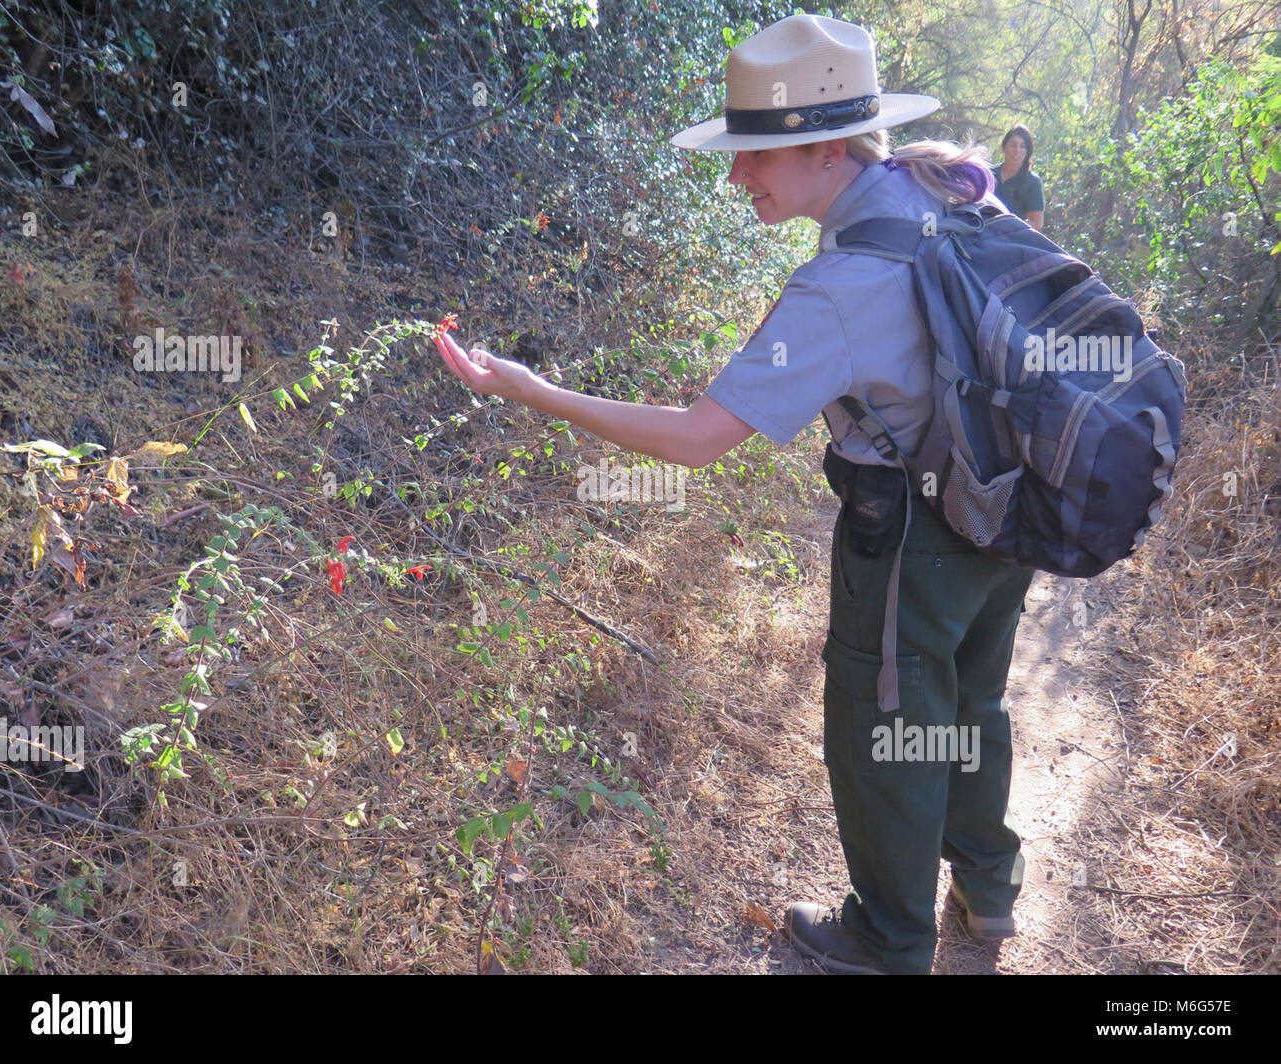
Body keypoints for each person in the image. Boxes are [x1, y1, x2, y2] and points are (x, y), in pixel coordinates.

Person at [432, 14, 1036, 975]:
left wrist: (530, 390)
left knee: (886, 729)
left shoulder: (840, 284)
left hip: (916, 533)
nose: (735, 178)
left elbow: (697, 439)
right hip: (1013, 503)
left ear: (828, 149)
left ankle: (887, 940)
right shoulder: (946, 190)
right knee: (972, 701)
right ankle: (991, 889)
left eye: (755, 155)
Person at [992, 125, 1045, 230]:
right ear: (1003, 147)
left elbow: (1037, 224)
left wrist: (1009, 226)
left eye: (1022, 146)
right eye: (1013, 145)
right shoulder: (988, 174)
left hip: (1013, 238)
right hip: (983, 233)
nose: (1017, 150)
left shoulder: (1032, 182)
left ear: (1027, 151)